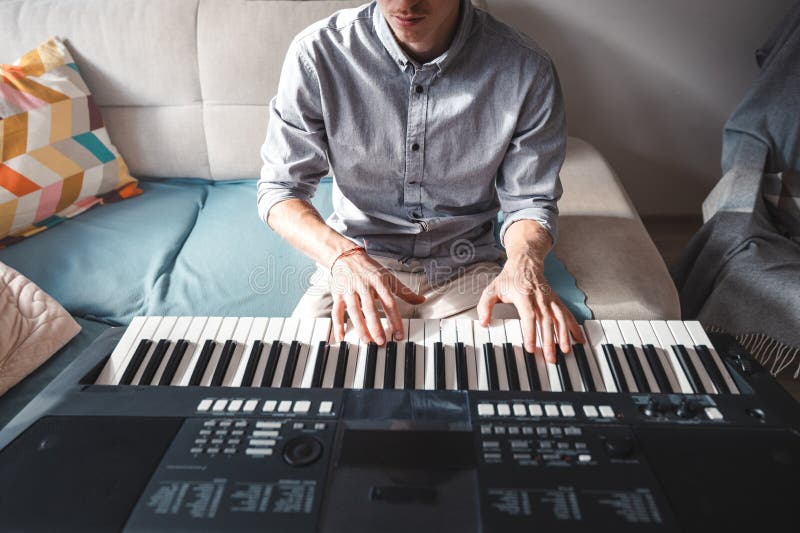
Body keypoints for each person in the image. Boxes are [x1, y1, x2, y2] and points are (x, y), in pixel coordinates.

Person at [258, 0, 583, 363]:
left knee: (523, 382)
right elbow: (280, 189)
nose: (405, 3)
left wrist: (524, 263)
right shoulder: (317, 53)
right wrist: (342, 257)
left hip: (467, 270)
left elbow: (529, 201)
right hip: (358, 262)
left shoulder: (527, 67)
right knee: (299, 389)